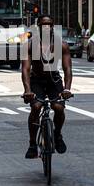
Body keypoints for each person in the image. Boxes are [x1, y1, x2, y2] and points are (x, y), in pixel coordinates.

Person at [20, 14, 73, 159]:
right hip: (36, 80)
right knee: (36, 107)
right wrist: (27, 90)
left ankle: (57, 135)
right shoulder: (30, 45)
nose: (46, 27)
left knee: (58, 108)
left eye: (49, 24)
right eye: (43, 24)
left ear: (52, 26)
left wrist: (67, 89)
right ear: (38, 27)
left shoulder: (61, 45)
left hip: (54, 80)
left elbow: (67, 69)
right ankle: (32, 144)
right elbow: (25, 69)